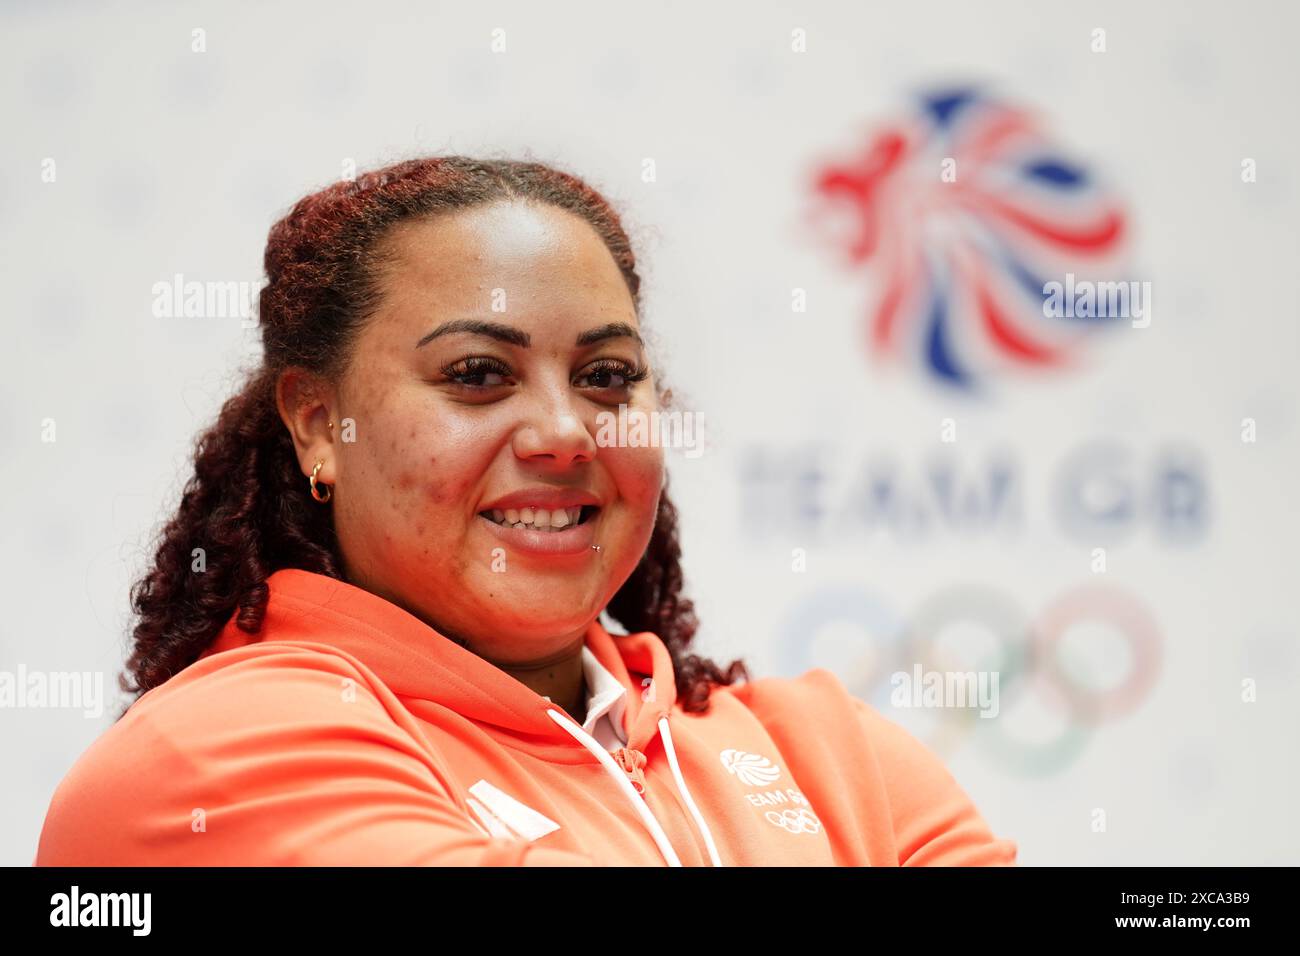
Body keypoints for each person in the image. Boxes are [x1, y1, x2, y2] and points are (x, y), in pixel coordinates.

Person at [35, 156, 1017, 866]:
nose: (564, 431)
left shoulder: (826, 749)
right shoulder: (223, 750)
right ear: (319, 424)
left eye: (605, 375)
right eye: (475, 373)